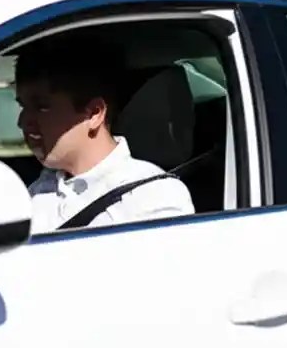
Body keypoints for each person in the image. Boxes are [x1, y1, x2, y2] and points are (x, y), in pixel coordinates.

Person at [13, 34, 195, 233]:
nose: (22, 122)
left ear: (94, 114)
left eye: (41, 107)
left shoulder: (153, 197)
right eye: (23, 106)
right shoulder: (33, 194)